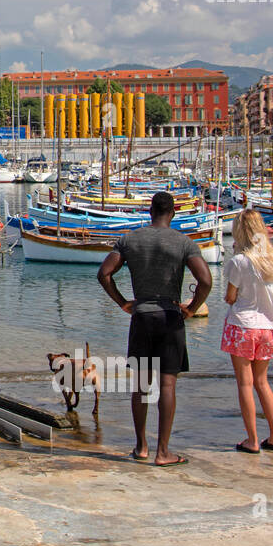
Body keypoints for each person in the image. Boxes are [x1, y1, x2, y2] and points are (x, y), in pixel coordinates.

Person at [97, 191, 213, 466]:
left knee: (140, 386)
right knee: (167, 385)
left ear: (150, 211)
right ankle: (164, 452)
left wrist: (123, 303)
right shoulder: (184, 242)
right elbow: (205, 280)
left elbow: (104, 274)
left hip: (142, 317)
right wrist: (192, 308)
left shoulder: (129, 239)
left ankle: (141, 447)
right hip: (171, 317)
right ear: (173, 213)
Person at [222, 210, 273, 454]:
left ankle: (251, 440)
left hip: (242, 325)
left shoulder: (239, 262)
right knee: (262, 382)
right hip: (267, 328)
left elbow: (230, 297)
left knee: (245, 384)